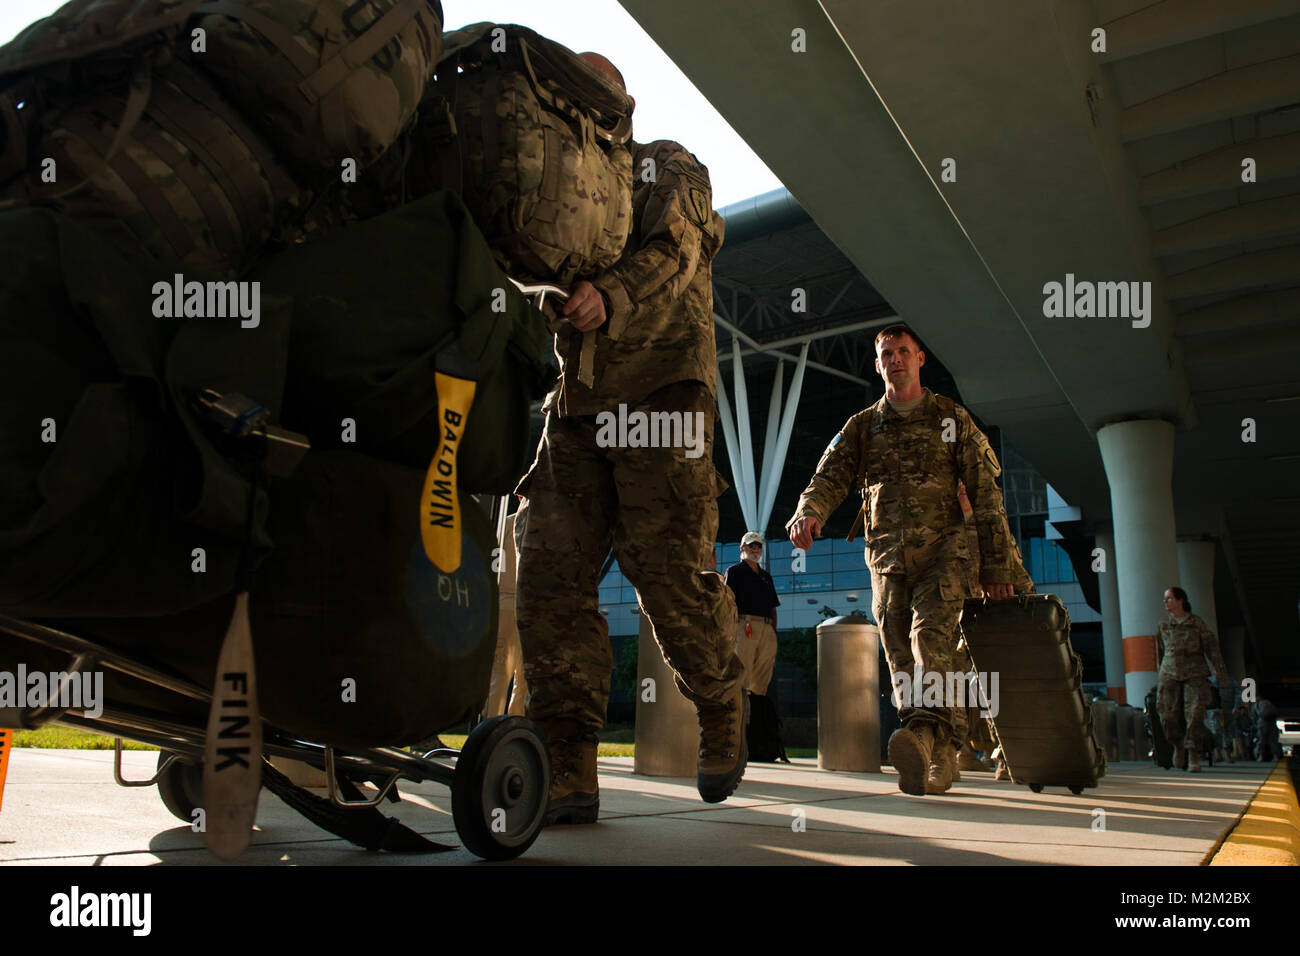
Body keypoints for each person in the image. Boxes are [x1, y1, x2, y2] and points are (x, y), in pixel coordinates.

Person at [513, 51, 745, 826]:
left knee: (667, 574)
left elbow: (680, 248)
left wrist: (609, 294)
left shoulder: (664, 167)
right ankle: (569, 755)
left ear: (625, 102)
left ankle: (719, 699)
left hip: (661, 393)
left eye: (591, 90)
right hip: (577, 404)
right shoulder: (551, 184)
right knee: (550, 574)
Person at [787, 324, 1015, 795]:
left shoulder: (951, 419)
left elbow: (986, 496)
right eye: (886, 354)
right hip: (886, 559)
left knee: (929, 639)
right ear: (877, 365)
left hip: (946, 553)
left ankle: (928, 739)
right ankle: (938, 752)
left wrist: (996, 567)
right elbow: (830, 475)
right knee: (900, 662)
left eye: (903, 352)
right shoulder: (862, 426)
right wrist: (808, 512)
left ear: (921, 359)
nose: (895, 360)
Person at [953, 481, 1034, 779]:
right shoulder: (945, 528)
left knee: (993, 687)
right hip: (958, 621)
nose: (961, 494)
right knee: (952, 683)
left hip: (990, 619)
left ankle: (1004, 754)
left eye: (964, 489)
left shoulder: (991, 529)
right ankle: (960, 751)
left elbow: (1014, 572)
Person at [1155, 586, 1232, 772]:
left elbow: (1213, 650)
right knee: (1167, 715)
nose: (1166, 602)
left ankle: (1193, 754)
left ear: (1181, 601)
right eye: (1165, 599)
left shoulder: (1197, 624)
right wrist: (1159, 675)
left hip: (1195, 672)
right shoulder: (1163, 625)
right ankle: (1178, 745)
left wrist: (1221, 677)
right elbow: (1159, 653)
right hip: (1170, 673)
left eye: (1170, 598)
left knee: (1195, 714)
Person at [723, 532, 780, 697]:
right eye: (751, 545)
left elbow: (773, 606)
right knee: (742, 674)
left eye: (758, 546)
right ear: (742, 548)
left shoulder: (765, 576)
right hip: (744, 626)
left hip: (767, 628)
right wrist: (731, 630)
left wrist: (773, 632)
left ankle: (756, 716)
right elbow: (728, 604)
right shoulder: (734, 572)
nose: (755, 549)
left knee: (763, 676)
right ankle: (741, 718)